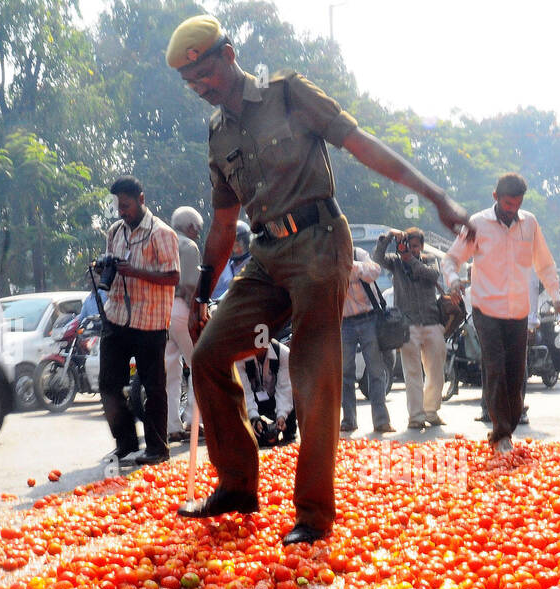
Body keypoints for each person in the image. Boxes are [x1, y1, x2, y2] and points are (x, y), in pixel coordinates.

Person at [167, 14, 467, 544]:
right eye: (189, 85)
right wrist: (200, 292)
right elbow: (220, 223)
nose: (198, 90)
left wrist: (435, 196)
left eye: (204, 76)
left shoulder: (288, 93)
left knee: (313, 371)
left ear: (229, 55)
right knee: (210, 354)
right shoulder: (217, 135)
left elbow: (360, 142)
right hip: (264, 255)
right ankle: (237, 485)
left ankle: (313, 513)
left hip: (319, 242)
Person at [443, 174, 560, 454]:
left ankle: (508, 426)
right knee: (494, 365)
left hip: (519, 309)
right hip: (486, 307)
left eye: (517, 204)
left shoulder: (529, 223)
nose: (512, 209)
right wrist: (454, 280)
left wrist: (556, 297)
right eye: (508, 203)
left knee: (516, 371)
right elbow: (451, 258)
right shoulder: (478, 224)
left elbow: (544, 263)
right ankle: (500, 434)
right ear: (495, 196)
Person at [97, 175, 180, 466]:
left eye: (127, 205)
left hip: (150, 322)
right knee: (107, 384)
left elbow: (173, 277)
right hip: (117, 317)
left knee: (153, 388)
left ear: (141, 200)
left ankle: (158, 448)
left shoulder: (162, 233)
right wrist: (103, 269)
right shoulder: (115, 232)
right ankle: (126, 443)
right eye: (119, 206)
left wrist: (136, 272)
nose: (122, 211)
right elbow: (112, 265)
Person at [374, 227, 445, 429]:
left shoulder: (430, 259)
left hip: (432, 322)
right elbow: (377, 258)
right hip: (407, 326)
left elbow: (431, 275)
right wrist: (389, 236)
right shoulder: (395, 262)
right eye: (407, 246)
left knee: (436, 371)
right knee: (412, 373)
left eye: (415, 246)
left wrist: (409, 258)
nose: (411, 250)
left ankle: (431, 411)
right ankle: (416, 417)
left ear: (421, 247)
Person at [340, 245, 392, 434]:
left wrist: (352, 266)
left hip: (369, 318)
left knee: (376, 371)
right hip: (344, 322)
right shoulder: (327, 257)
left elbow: (375, 271)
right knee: (345, 373)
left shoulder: (357, 254)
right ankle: (349, 420)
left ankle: (381, 421)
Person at [167, 205, 204, 442]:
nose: (198, 233)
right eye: (197, 229)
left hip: (162, 310)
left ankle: (171, 426)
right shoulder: (188, 246)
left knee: (171, 371)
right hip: (182, 309)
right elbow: (191, 285)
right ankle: (193, 421)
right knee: (199, 366)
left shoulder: (163, 240)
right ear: (190, 227)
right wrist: (198, 314)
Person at [240, 339, 296, 448]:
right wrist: (253, 417)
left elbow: (284, 388)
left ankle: (287, 429)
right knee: (252, 439)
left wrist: (282, 415)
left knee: (289, 429)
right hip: (253, 399)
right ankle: (256, 427)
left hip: (274, 397)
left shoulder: (283, 353)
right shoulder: (240, 357)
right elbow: (244, 392)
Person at [212, 221, 251, 299]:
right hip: (218, 308)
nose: (236, 250)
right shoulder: (222, 265)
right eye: (231, 245)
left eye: (238, 244)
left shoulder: (255, 263)